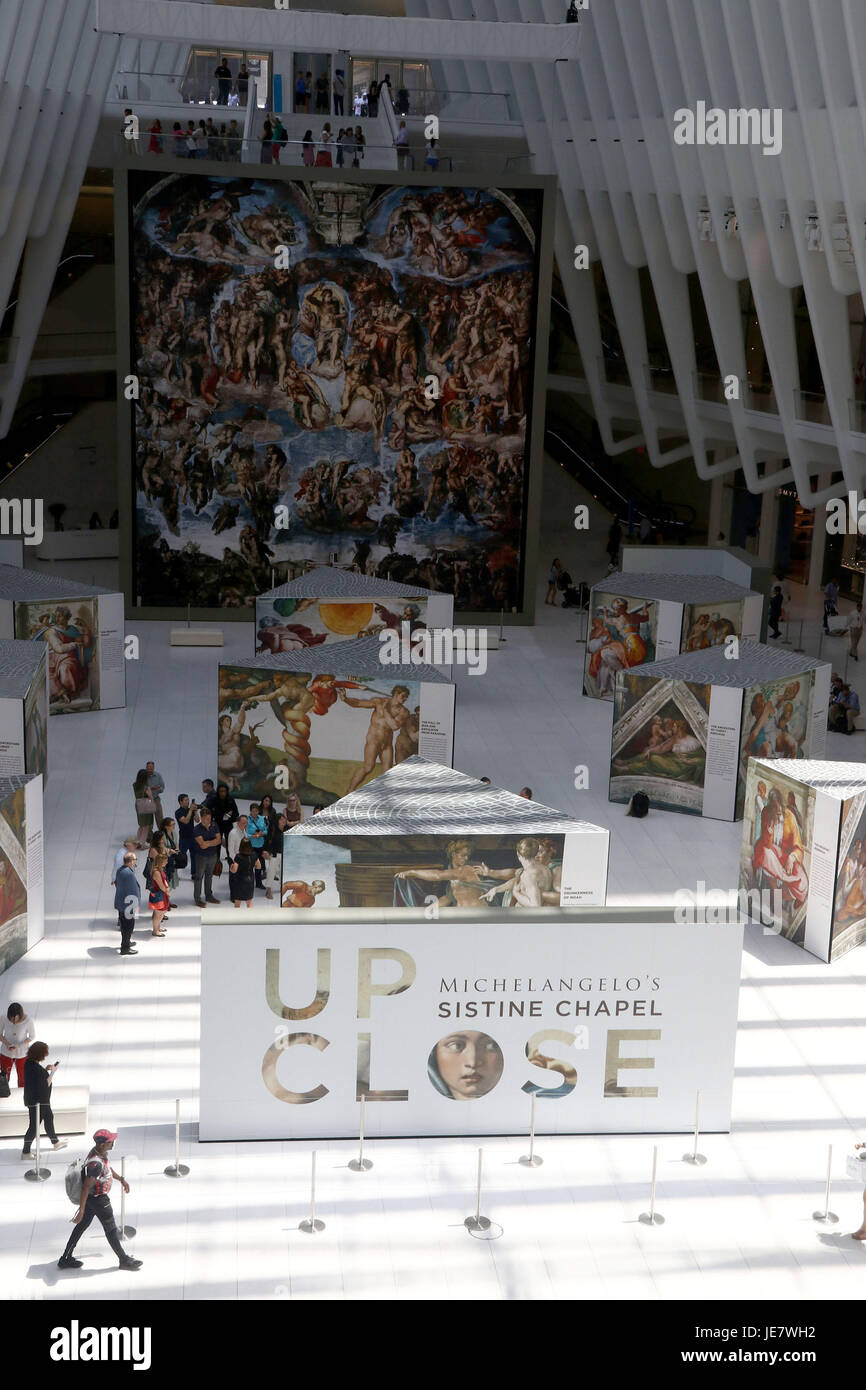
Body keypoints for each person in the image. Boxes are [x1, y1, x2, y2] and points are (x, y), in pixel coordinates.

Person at [58, 1129, 142, 1272]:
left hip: (92, 1199)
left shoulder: (99, 1153)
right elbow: (85, 1188)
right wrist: (81, 1210)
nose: (113, 1142)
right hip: (99, 1200)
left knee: (82, 1226)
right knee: (111, 1229)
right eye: (110, 1141)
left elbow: (108, 1169)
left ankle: (65, 1258)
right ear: (102, 1144)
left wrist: (121, 1179)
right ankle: (124, 1260)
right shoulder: (95, 1164)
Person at [22, 1042, 67, 1159]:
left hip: (40, 1100)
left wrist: (45, 1070)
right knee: (34, 1126)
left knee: (49, 1118)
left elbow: (38, 1079)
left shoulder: (30, 1063)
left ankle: (55, 1142)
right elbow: (45, 1084)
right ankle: (25, 1152)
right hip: (38, 1101)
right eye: (45, 1053)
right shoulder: (35, 1068)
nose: (46, 1055)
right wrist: (52, 1072)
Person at [193, 808, 222, 907]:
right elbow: (201, 844)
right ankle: (197, 899)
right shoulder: (197, 829)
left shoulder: (214, 825)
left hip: (213, 855)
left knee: (209, 876)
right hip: (201, 857)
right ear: (201, 818)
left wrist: (208, 843)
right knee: (199, 877)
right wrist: (213, 841)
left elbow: (219, 841)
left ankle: (209, 896)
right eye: (205, 818)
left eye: (209, 818)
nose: (208, 820)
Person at [1, 1003, 33, 1089]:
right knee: (4, 1078)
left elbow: (31, 1036)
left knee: (23, 1079)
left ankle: (22, 1097)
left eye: (16, 1019)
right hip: (6, 1052)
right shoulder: (3, 1018)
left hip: (22, 1054)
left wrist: (18, 1045)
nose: (14, 1022)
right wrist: (7, 1044)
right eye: (11, 1020)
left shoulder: (28, 1020)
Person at [114, 851, 140, 955]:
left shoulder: (120, 870)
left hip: (121, 901)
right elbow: (132, 891)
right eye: (135, 860)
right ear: (131, 861)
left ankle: (127, 942)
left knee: (124, 925)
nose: (135, 861)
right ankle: (125, 948)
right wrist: (136, 905)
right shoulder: (129, 874)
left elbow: (117, 884)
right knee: (128, 927)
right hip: (128, 905)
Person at [229, 837, 259, 909]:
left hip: (240, 882)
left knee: (237, 903)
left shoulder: (238, 857)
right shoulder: (254, 854)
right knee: (249, 903)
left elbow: (234, 870)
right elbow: (258, 866)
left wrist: (231, 868)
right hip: (250, 880)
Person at [264, 811, 287, 900]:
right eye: (281, 820)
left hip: (284, 854)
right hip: (274, 854)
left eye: (284, 819)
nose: (283, 821)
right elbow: (268, 842)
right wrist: (266, 851)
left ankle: (283, 887)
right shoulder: (273, 829)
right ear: (277, 821)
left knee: (283, 873)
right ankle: (268, 889)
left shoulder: (286, 829)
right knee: (271, 872)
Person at [175, 794, 198, 879]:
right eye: (185, 800)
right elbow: (186, 821)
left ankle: (194, 873)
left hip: (192, 836)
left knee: (194, 855)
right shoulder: (178, 812)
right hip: (184, 837)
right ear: (180, 802)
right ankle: (175, 873)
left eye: (188, 800)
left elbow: (197, 820)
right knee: (180, 856)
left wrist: (195, 811)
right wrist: (191, 810)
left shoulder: (190, 810)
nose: (187, 802)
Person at [148, 853, 170, 937]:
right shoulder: (156, 872)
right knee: (158, 913)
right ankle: (155, 930)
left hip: (163, 894)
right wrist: (167, 890)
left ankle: (158, 927)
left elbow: (164, 881)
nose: (167, 862)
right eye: (166, 861)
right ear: (161, 862)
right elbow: (161, 886)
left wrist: (167, 888)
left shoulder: (160, 869)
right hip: (159, 895)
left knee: (162, 911)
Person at [133, 769, 155, 849]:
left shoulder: (135, 785)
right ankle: (142, 844)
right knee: (146, 826)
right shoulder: (146, 787)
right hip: (145, 806)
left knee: (141, 825)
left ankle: (137, 842)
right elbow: (151, 797)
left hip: (138, 804)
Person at [247, 803, 268, 889]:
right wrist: (255, 835)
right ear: (250, 811)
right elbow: (246, 834)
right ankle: (249, 882)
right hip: (251, 846)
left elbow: (266, 831)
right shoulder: (247, 820)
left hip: (261, 845)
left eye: (256, 811)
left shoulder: (262, 819)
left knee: (259, 865)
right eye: (253, 811)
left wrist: (262, 833)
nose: (255, 813)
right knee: (251, 864)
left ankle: (258, 883)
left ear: (258, 811)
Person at [160, 817, 180, 901]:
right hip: (164, 861)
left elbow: (176, 844)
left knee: (170, 881)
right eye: (172, 825)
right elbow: (161, 848)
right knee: (165, 881)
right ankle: (164, 901)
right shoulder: (162, 835)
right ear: (166, 826)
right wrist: (170, 850)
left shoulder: (174, 833)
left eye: (174, 824)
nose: (174, 826)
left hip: (172, 860)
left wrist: (176, 850)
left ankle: (167, 901)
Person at [146, 760, 165, 827]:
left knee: (160, 818)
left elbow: (162, 787)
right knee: (148, 820)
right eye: (149, 767)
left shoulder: (158, 775)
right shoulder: (143, 776)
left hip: (156, 799)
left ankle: (161, 835)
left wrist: (158, 789)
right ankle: (149, 836)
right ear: (146, 767)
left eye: (151, 767)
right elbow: (141, 788)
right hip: (147, 800)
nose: (150, 769)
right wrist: (151, 789)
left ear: (154, 768)